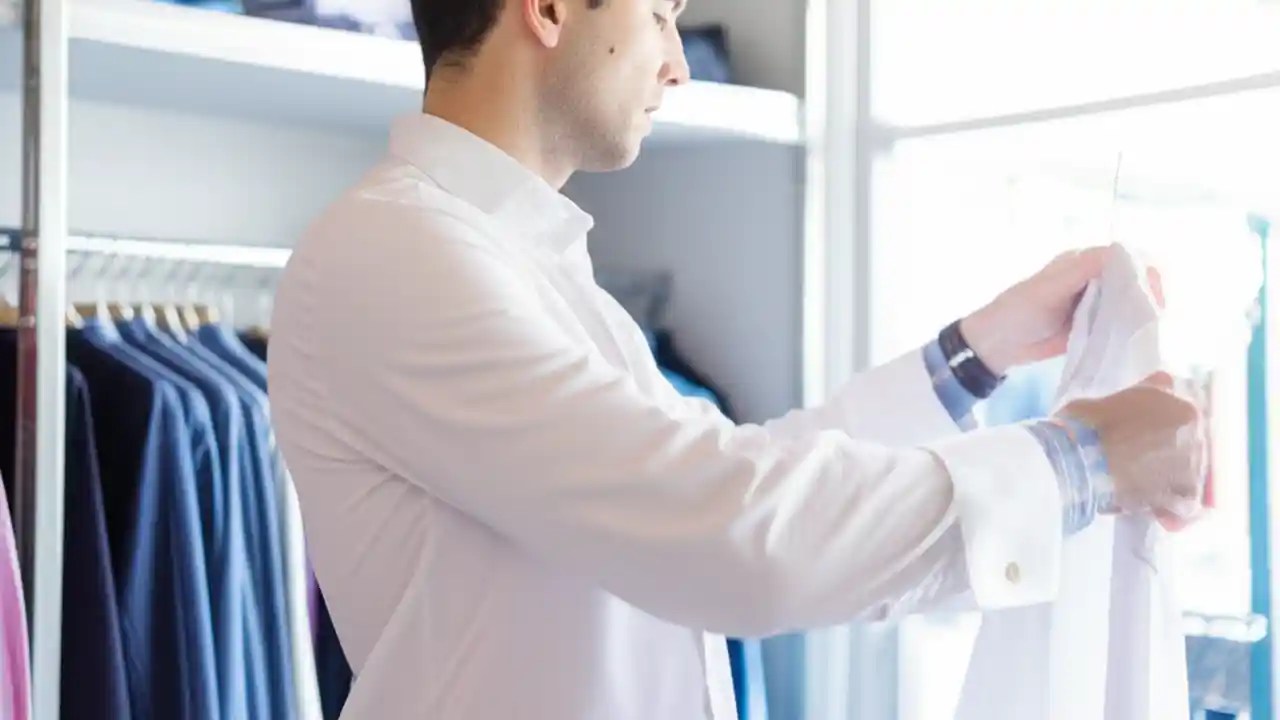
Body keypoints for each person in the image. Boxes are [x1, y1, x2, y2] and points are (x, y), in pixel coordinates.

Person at [266, 0, 1207, 717]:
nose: (677, 64)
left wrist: (977, 354)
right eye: (662, 12)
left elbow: (736, 472)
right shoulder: (397, 254)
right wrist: (1079, 463)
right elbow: (726, 528)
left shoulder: (528, 268)